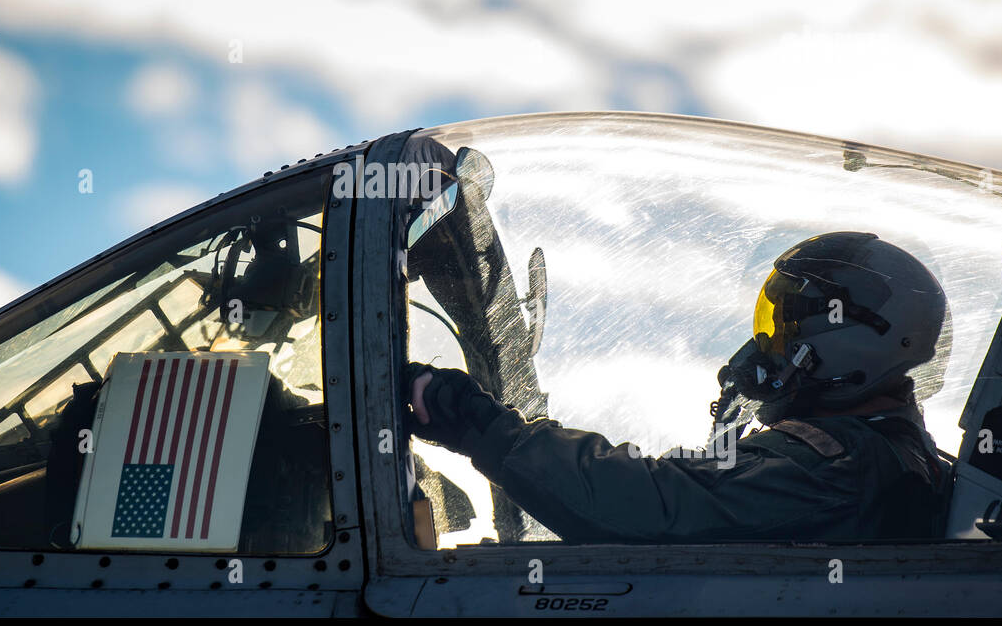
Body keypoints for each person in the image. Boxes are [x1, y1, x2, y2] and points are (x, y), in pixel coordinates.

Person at [404, 231, 951, 542]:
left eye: (781, 327)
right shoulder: (900, 456)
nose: (764, 346)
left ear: (848, 340)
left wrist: (487, 431)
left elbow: (650, 506)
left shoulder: (836, 464)